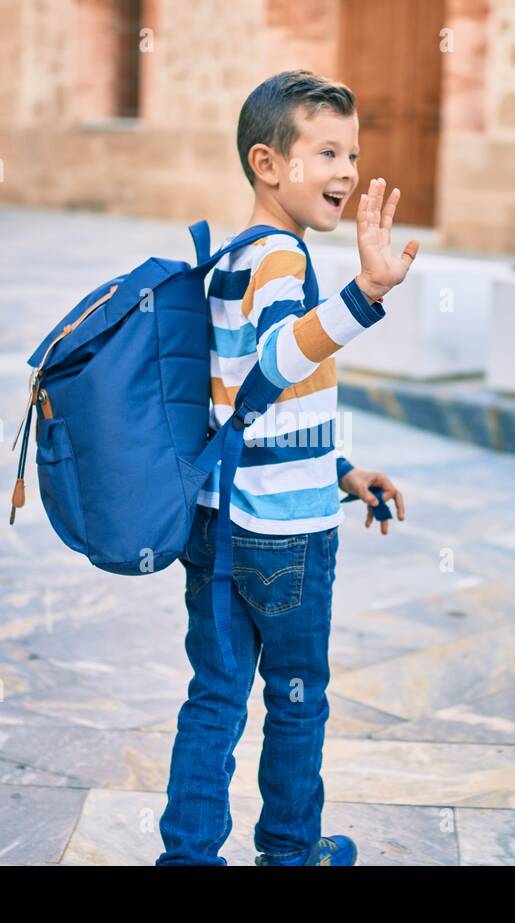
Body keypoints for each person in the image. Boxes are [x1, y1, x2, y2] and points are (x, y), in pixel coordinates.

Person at [156, 69, 419, 866]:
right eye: (328, 152)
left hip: (218, 518)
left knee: (214, 698)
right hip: (285, 538)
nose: (346, 170)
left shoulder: (232, 256)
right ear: (269, 165)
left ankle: (188, 857)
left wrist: (339, 469)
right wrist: (366, 293)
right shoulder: (279, 257)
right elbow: (278, 354)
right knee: (298, 701)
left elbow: (248, 395)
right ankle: (291, 849)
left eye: (353, 152)